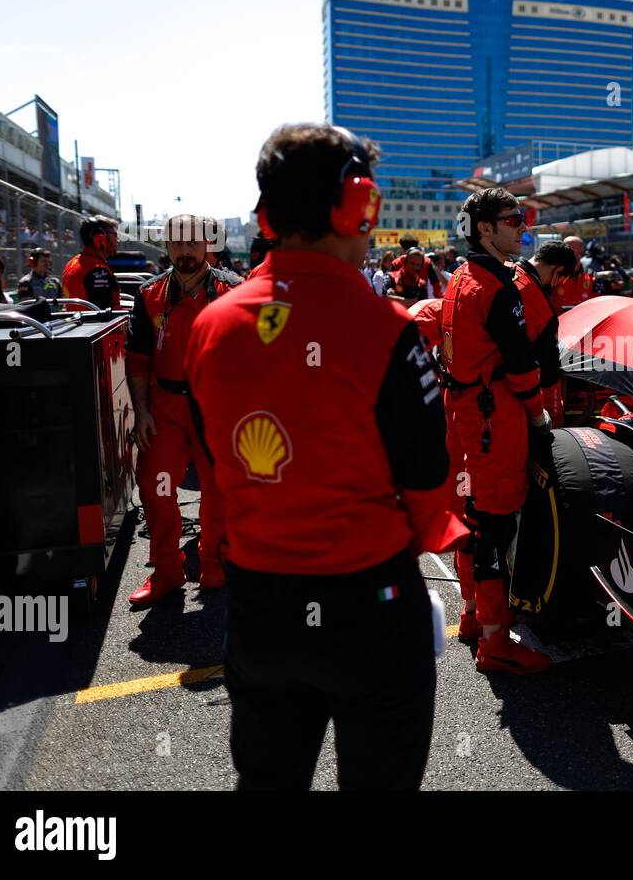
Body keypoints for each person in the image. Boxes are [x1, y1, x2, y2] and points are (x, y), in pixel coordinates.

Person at [187, 123, 463, 789]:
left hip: (258, 606)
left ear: (267, 213)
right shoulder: (386, 330)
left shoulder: (210, 324)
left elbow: (213, 463)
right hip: (369, 602)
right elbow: (428, 481)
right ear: (356, 206)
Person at [441, 187, 552, 674]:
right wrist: (539, 417)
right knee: (496, 523)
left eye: (522, 218)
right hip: (494, 417)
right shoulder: (497, 287)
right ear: (484, 228)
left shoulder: (461, 277)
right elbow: (523, 366)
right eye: (513, 219)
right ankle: (495, 641)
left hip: (465, 411)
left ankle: (471, 617)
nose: (521, 227)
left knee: (473, 513)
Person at [126, 215, 243, 606]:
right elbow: (139, 358)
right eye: (177, 243)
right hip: (165, 408)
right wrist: (141, 412)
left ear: (206, 244)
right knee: (157, 489)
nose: (185, 250)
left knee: (217, 491)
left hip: (217, 408)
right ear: (167, 246)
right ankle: (167, 572)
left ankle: (214, 565)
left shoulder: (233, 290)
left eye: (193, 242)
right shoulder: (148, 294)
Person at [515, 240, 577, 426]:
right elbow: (549, 372)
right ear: (558, 271)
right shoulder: (539, 304)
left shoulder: (501, 272)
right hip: (513, 399)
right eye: (561, 279)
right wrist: (554, 419)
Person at [62, 216, 122, 310]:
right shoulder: (97, 270)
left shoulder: (72, 263)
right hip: (95, 323)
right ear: (101, 238)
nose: (117, 240)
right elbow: (106, 313)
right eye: (115, 235)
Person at [548, 236, 594, 312]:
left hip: (582, 321)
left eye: (578, 253)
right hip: (559, 321)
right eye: (572, 253)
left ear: (582, 251)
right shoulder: (552, 275)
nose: (575, 258)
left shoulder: (591, 276)